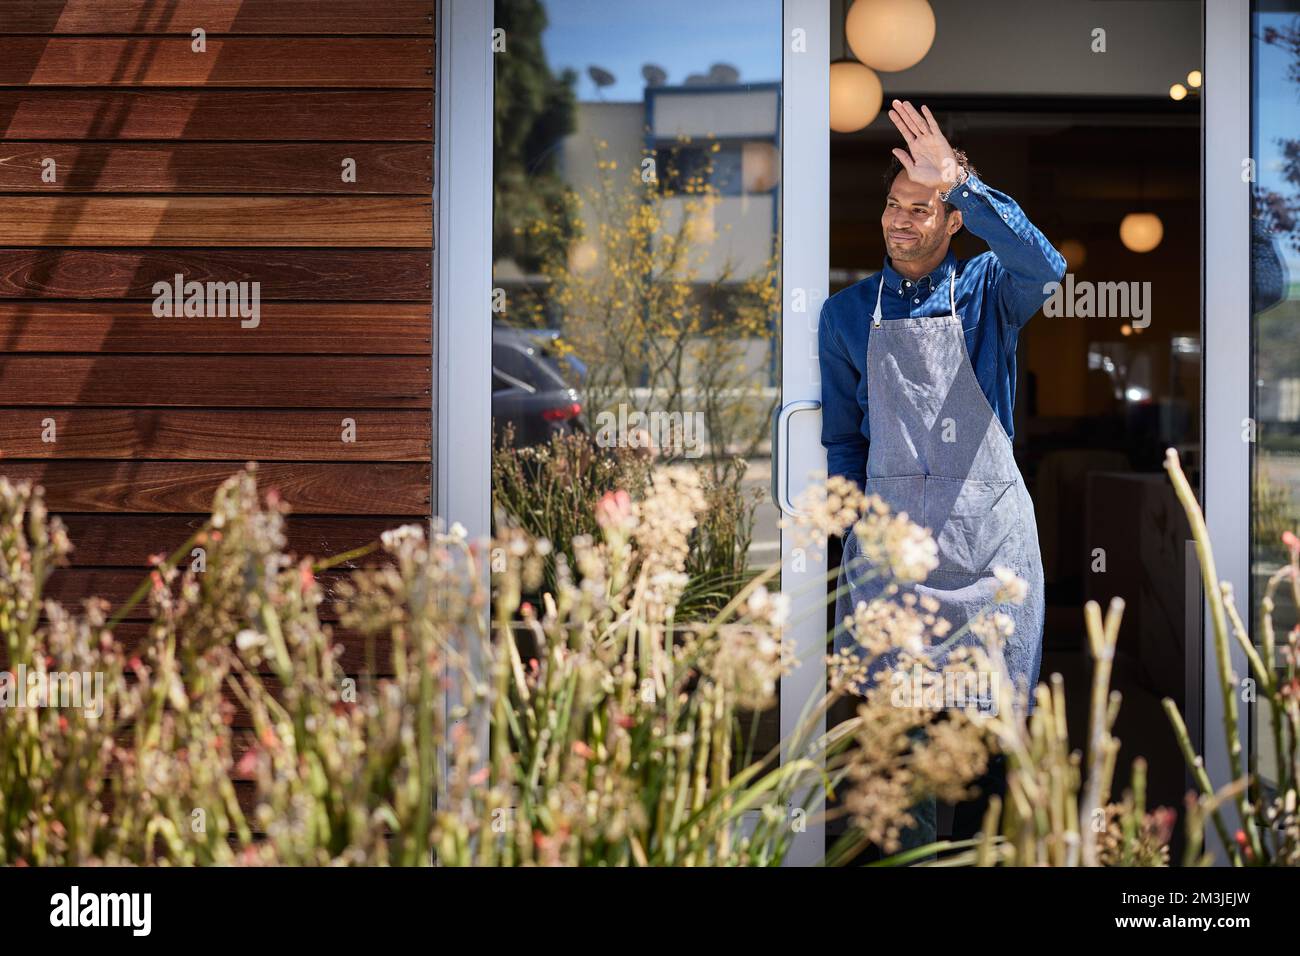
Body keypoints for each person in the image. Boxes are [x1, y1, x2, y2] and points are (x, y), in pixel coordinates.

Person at [819, 100, 1065, 848]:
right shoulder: (845, 313)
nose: (900, 220)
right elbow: (843, 443)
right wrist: (849, 552)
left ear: (952, 219)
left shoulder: (992, 288)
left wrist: (958, 180)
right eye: (895, 205)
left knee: (986, 774)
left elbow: (1045, 265)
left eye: (922, 208)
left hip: (990, 560)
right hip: (896, 574)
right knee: (901, 777)